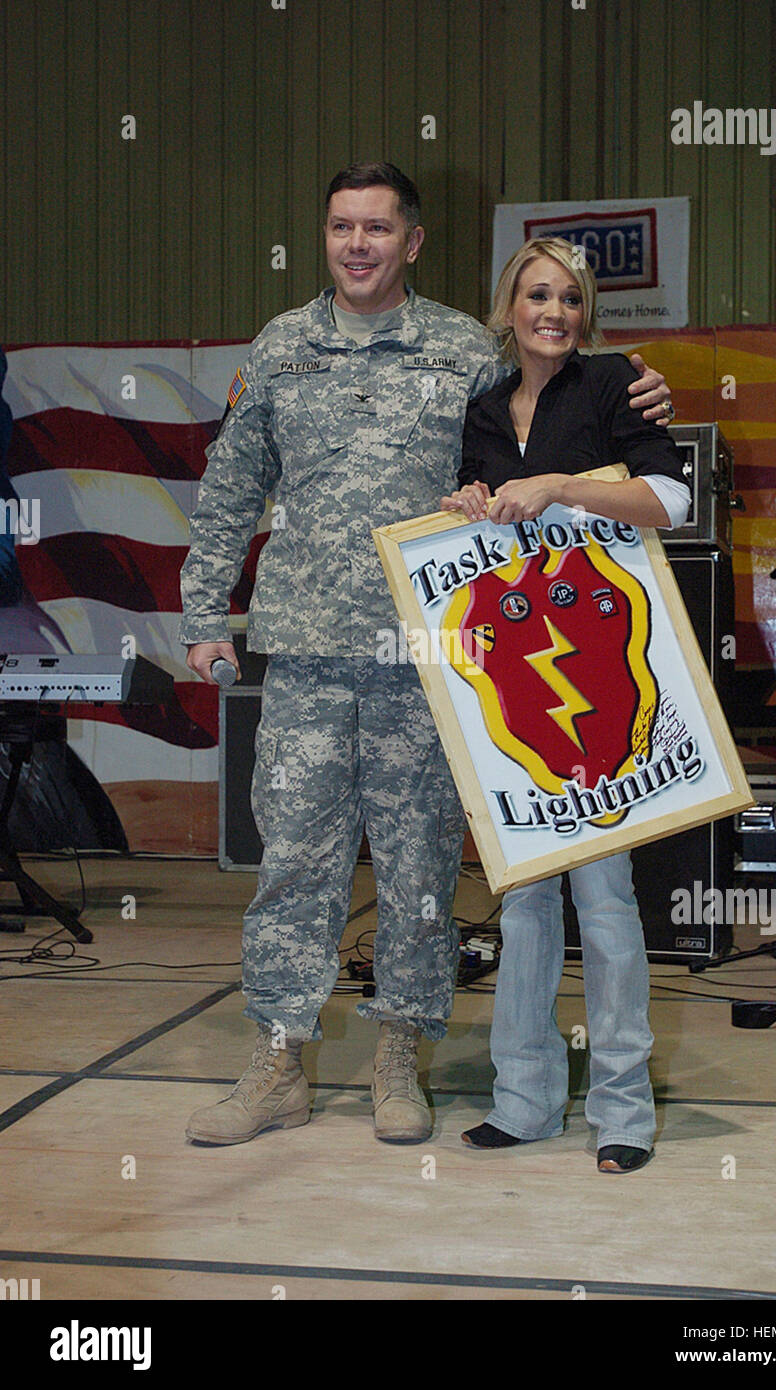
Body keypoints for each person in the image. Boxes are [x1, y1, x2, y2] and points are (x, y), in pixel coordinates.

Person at [179, 166, 674, 1148]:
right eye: (338, 227)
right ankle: (277, 1059)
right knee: (294, 864)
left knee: (416, 869)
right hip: (309, 649)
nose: (355, 243)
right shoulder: (281, 346)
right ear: (323, 238)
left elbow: (557, 392)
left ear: (410, 241)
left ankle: (397, 1055)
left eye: (376, 227)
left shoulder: (463, 350)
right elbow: (232, 482)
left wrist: (637, 384)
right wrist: (203, 611)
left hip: (431, 653)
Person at [440, 236, 690, 1172]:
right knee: (524, 903)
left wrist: (556, 486)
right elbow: (472, 524)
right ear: (510, 305)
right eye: (538, 295)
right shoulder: (480, 409)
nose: (555, 311)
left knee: (609, 900)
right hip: (515, 682)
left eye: (572, 298)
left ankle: (624, 1114)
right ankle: (525, 1100)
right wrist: (471, 501)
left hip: (605, 676)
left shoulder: (616, 383)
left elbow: (671, 497)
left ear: (586, 313)